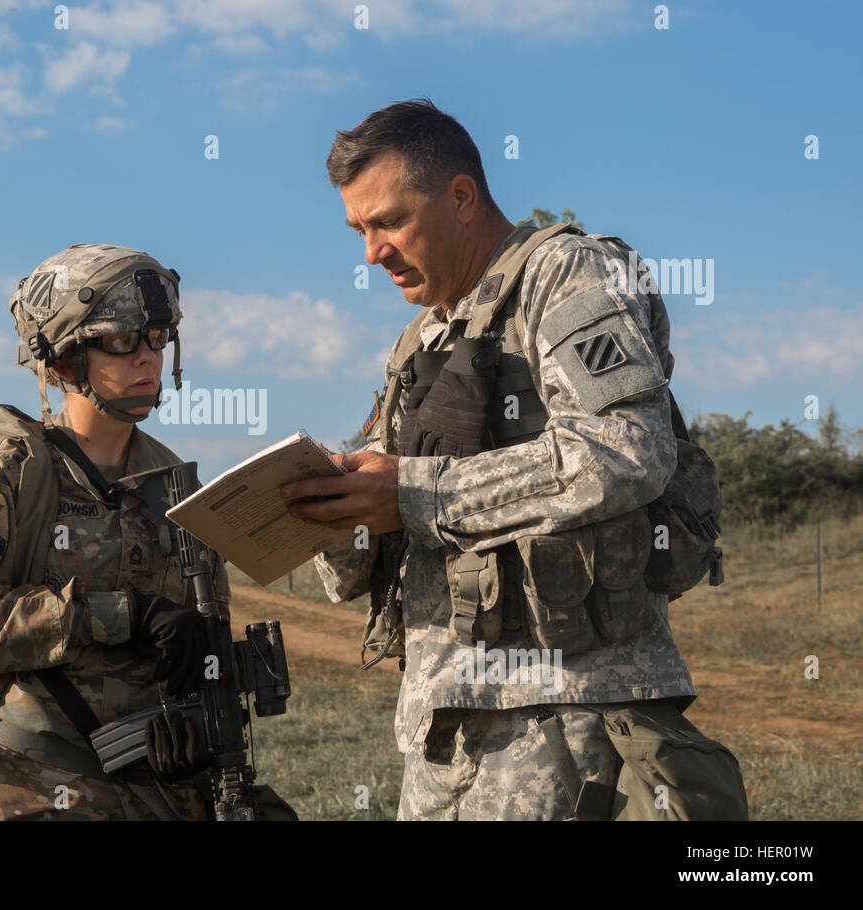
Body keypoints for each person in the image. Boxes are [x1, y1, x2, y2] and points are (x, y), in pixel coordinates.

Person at [282, 99, 699, 820]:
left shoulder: (566, 274)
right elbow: (389, 520)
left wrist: (416, 494)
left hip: (563, 713)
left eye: (388, 222)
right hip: (445, 726)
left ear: (462, 197)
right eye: (359, 230)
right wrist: (336, 506)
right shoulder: (422, 340)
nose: (371, 253)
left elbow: (628, 448)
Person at [0, 243, 229, 821]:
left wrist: (194, 735)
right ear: (63, 362)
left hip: (154, 786)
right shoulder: (3, 468)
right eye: (119, 341)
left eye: (157, 337)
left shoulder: (176, 486)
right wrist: (121, 614)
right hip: (29, 781)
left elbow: (201, 640)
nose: (147, 359)